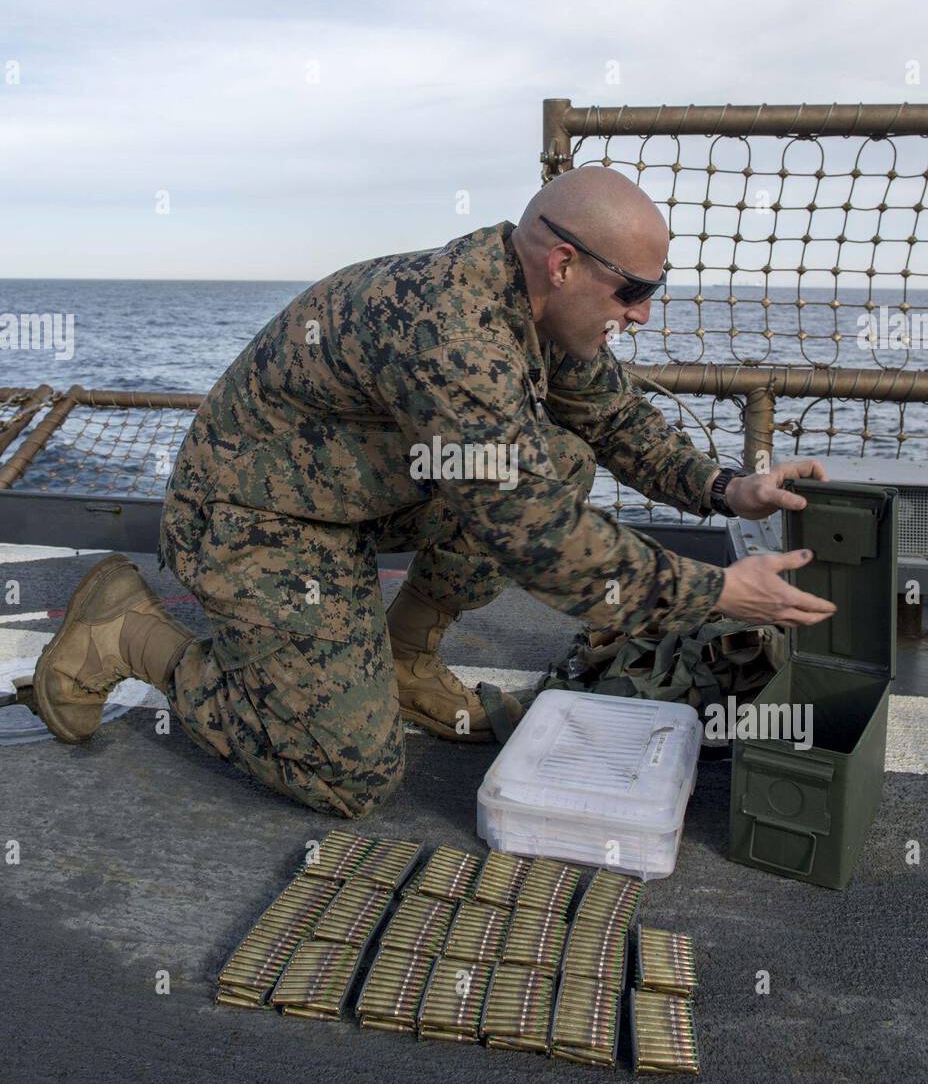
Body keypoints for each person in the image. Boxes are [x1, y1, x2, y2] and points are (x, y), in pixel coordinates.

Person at [33, 168, 835, 817]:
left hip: (353, 499)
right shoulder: (451, 331)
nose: (643, 313)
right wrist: (716, 592)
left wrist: (730, 489)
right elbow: (533, 533)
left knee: (557, 457)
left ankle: (405, 660)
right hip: (254, 517)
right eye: (633, 291)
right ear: (565, 264)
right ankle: (125, 632)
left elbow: (613, 417)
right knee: (346, 772)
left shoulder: (540, 306)